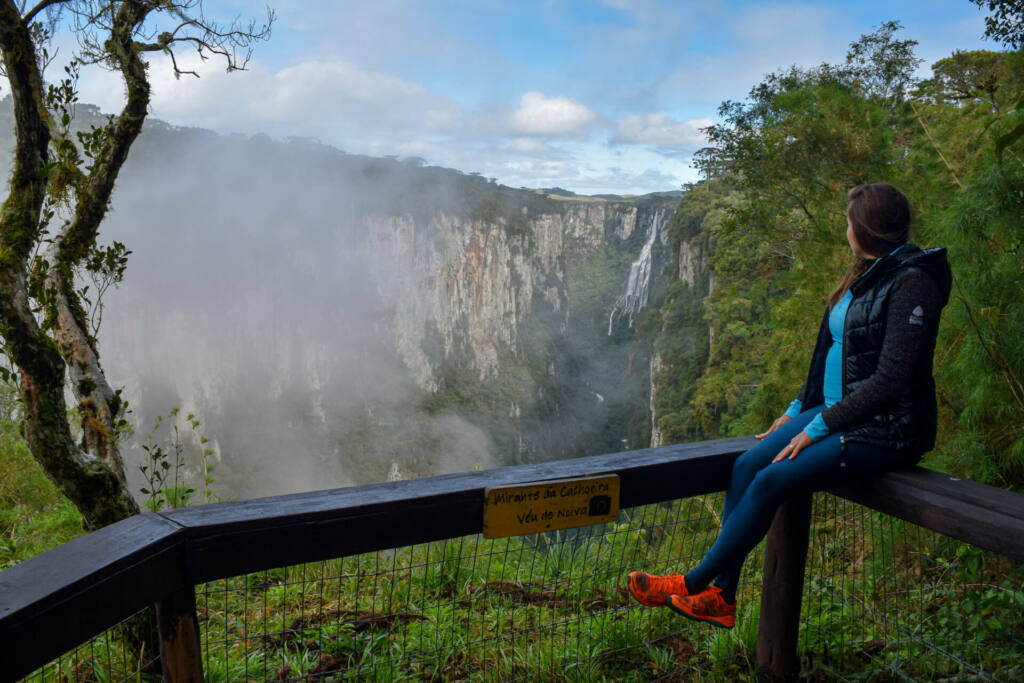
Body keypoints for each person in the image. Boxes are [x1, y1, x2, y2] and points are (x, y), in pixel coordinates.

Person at [626, 183, 952, 629]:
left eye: (848, 221)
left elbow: (892, 380)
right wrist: (799, 406)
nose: (845, 228)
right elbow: (830, 351)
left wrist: (818, 427)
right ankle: (722, 596)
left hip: (883, 428)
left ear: (866, 228)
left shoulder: (914, 284)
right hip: (831, 411)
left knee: (773, 478)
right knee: (745, 466)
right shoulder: (865, 273)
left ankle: (694, 582)